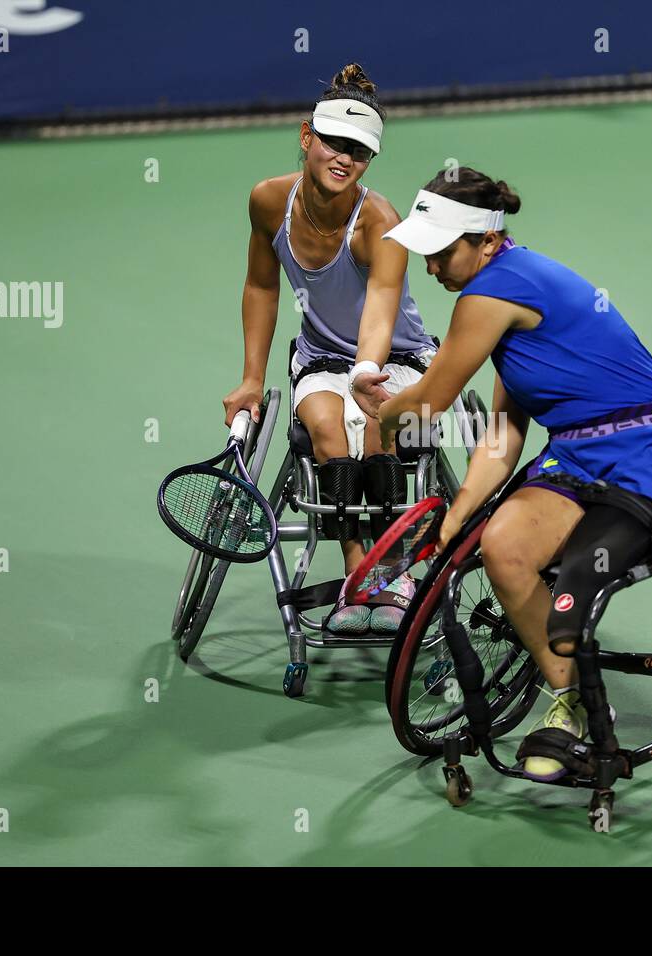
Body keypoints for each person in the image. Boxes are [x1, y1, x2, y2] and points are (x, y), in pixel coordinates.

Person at [355, 168, 652, 779]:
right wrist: (461, 511)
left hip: (646, 446)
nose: (431, 269)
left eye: (441, 253)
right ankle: (569, 700)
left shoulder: (491, 294)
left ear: (486, 241)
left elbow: (431, 398)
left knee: (578, 577)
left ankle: (581, 699)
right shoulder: (502, 288)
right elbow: (502, 435)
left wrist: (382, 425)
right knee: (504, 546)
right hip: (570, 456)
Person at [222, 63, 437, 634]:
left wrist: (368, 370)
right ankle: (356, 575)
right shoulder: (269, 202)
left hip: (394, 352)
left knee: (377, 430)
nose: (344, 159)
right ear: (305, 136)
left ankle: (391, 572)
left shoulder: (381, 222)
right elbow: (262, 286)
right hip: (321, 355)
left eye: (359, 152)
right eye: (333, 143)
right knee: (324, 424)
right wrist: (250, 380)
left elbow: (382, 305)